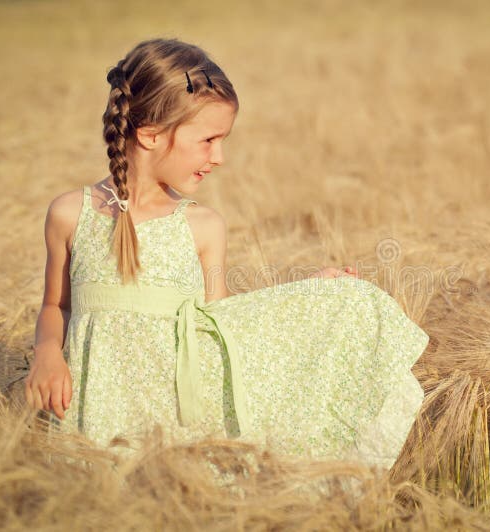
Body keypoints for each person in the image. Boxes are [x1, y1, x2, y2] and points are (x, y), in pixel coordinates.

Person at [24, 38, 429, 470]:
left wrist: (313, 295)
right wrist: (47, 353)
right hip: (93, 416)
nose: (219, 157)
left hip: (176, 425)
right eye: (209, 140)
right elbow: (56, 305)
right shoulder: (71, 214)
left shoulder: (203, 226)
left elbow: (225, 326)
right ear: (150, 134)